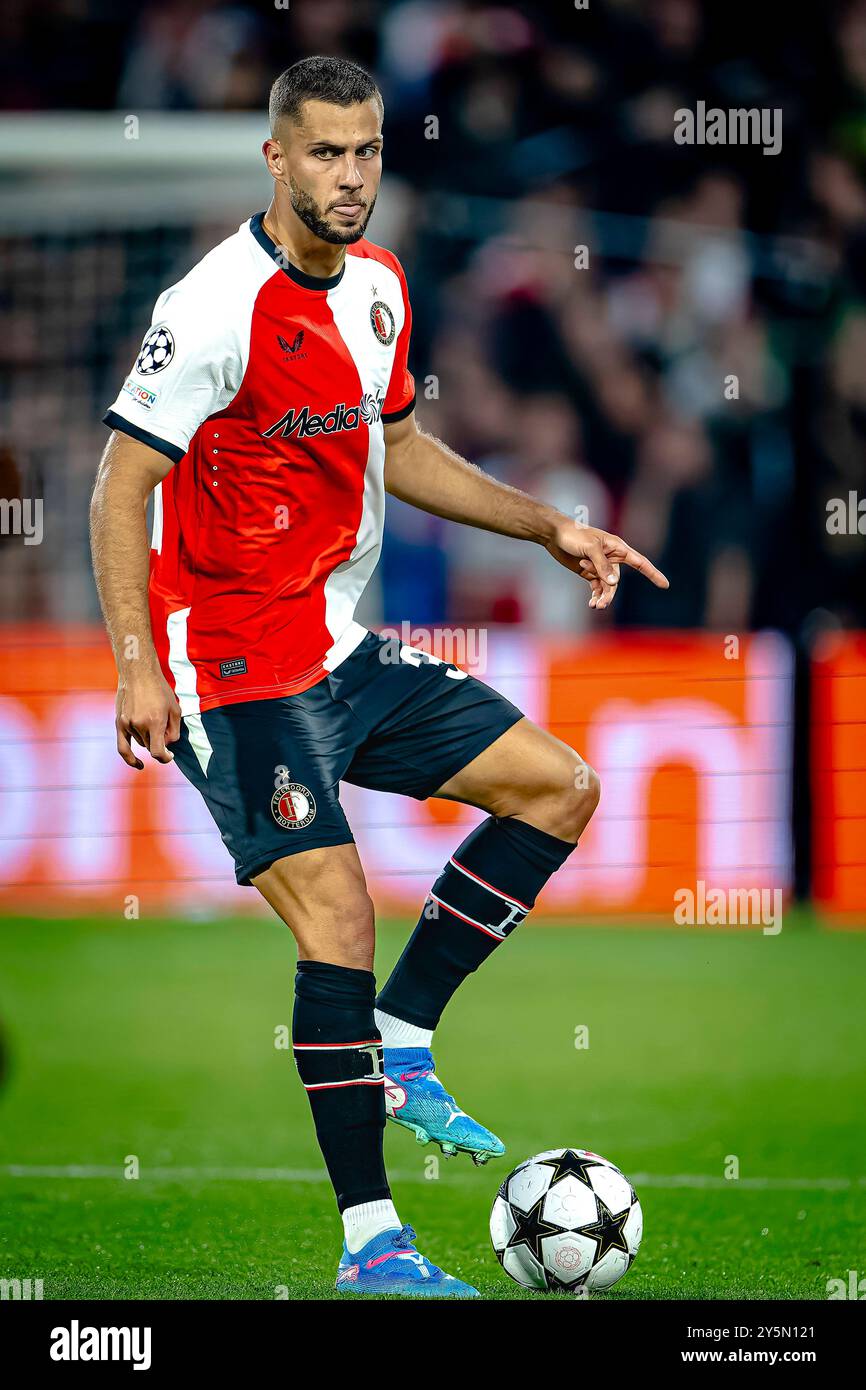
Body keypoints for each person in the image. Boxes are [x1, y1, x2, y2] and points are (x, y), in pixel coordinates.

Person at [90, 55, 668, 1298]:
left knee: (557, 787)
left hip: (333, 642)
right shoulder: (212, 308)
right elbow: (116, 484)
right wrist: (137, 664)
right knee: (341, 915)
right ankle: (373, 1246)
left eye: (366, 153)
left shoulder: (381, 287)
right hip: (227, 664)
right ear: (276, 160)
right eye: (324, 154)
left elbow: (396, 443)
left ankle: (400, 1040)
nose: (348, 177)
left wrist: (545, 525)